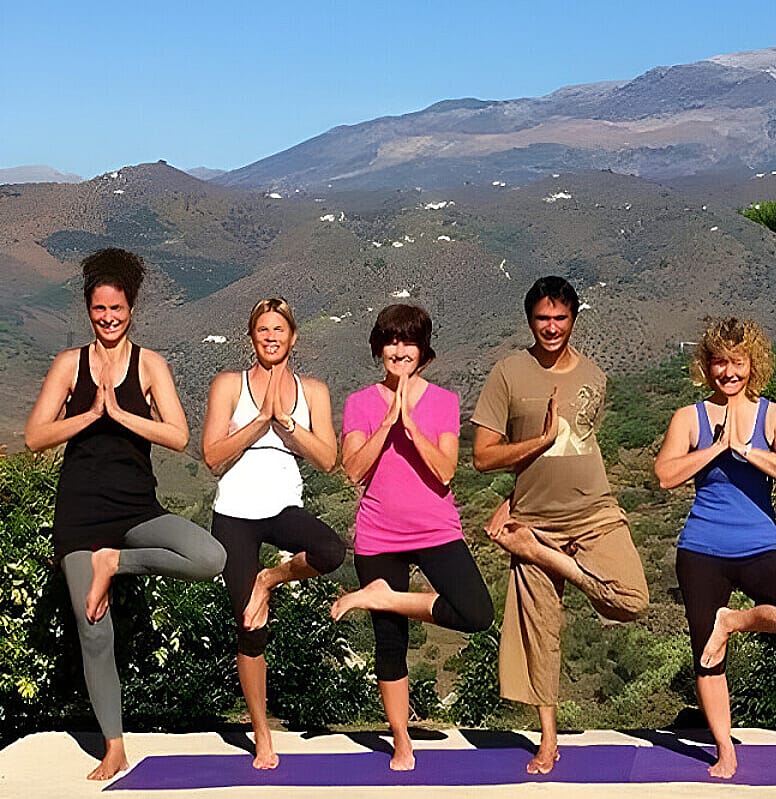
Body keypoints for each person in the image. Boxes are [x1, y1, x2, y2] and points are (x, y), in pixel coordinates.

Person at [23, 248, 226, 780]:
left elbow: (178, 436)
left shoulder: (150, 365)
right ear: (88, 310)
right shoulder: (70, 364)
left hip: (137, 508)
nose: (108, 318)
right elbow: (35, 436)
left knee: (209, 556)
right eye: (99, 310)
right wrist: (89, 414)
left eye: (116, 309)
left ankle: (116, 562)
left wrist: (122, 414)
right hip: (81, 513)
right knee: (95, 633)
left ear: (131, 308)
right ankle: (115, 745)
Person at [471, 276, 649, 775]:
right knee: (540, 634)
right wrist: (536, 447)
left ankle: (544, 555)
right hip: (535, 519)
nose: (551, 327)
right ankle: (547, 739)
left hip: (594, 510)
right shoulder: (508, 373)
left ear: (574, 318)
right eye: (542, 318)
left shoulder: (595, 375)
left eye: (560, 318)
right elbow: (483, 457)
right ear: (530, 320)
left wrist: (516, 502)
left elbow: (580, 447)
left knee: (632, 598)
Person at [653, 318, 776, 779]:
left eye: (737, 362)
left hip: (758, 546)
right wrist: (716, 448)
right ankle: (725, 747)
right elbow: (665, 475)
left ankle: (733, 622)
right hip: (701, 550)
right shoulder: (690, 418)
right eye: (719, 362)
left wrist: (746, 450)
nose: (728, 371)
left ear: (753, 364)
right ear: (707, 367)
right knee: (706, 653)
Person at [331, 304, 493, 771]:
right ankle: (401, 740)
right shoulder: (360, 402)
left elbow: (444, 472)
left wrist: (411, 424)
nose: (399, 350)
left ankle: (383, 596)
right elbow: (353, 471)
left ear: (423, 350)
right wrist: (387, 422)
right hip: (379, 534)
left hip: (436, 528)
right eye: (391, 341)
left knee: (477, 612)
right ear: (379, 347)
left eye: (408, 342)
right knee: (390, 641)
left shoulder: (443, 400)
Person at [201, 298, 346, 770]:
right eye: (262, 329)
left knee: (330, 549)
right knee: (250, 627)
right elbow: (211, 454)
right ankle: (262, 735)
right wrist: (259, 420)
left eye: (279, 329)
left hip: (283, 506)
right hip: (235, 512)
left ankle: (270, 579)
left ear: (293, 337)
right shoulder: (229, 384)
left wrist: (285, 422)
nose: (270, 336)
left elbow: (328, 459)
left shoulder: (314, 391)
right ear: (252, 337)